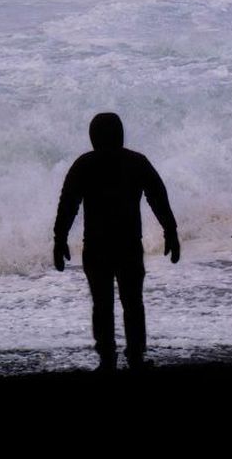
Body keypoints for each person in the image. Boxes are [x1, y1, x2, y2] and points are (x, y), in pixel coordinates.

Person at [53, 112, 180, 371]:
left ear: (93, 138)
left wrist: (60, 239)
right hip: (128, 245)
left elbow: (68, 205)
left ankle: (107, 359)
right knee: (132, 302)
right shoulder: (136, 162)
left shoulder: (84, 164)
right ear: (121, 135)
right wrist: (171, 231)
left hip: (97, 246)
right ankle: (135, 357)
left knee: (102, 304)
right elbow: (158, 197)